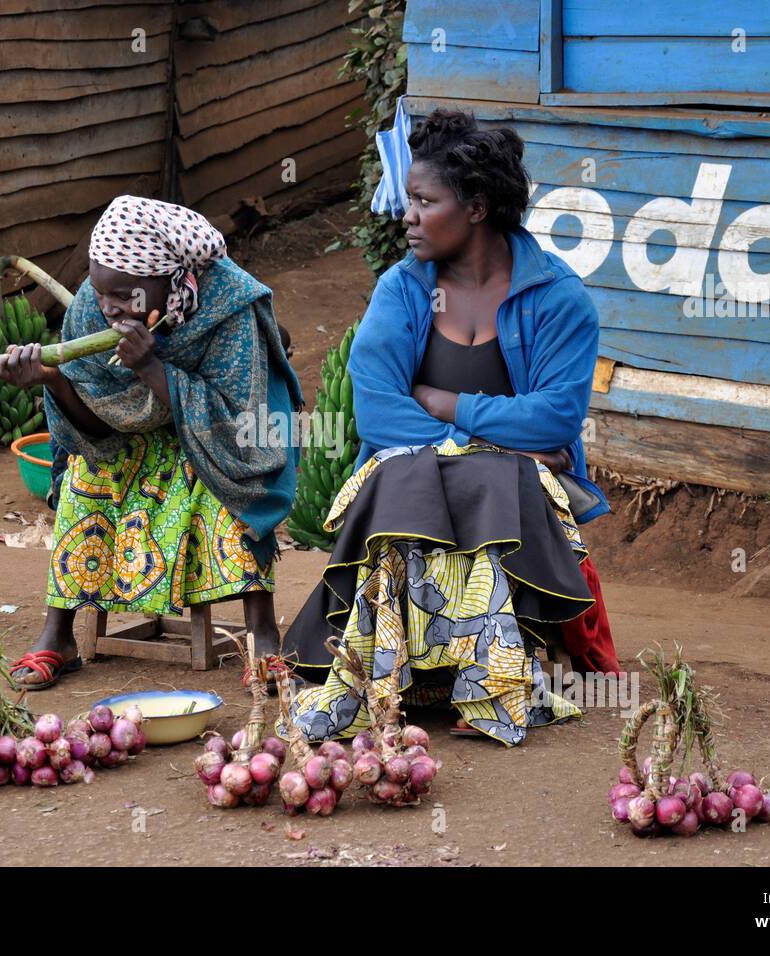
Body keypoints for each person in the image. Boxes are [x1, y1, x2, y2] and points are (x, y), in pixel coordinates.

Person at [281, 109, 618, 746]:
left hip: (521, 490)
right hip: (430, 469)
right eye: (409, 199)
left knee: (489, 484)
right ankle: (414, 673)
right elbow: (378, 411)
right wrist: (487, 444)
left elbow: (555, 416)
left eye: (423, 200)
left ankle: (486, 678)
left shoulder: (558, 299)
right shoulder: (401, 290)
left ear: (476, 208)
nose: (405, 215)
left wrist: (443, 400)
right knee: (420, 476)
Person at [0, 196, 302, 688]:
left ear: (171, 278)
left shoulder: (229, 307)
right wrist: (52, 381)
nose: (108, 307)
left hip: (214, 445)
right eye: (98, 292)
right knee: (84, 474)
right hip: (127, 447)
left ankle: (262, 634)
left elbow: (241, 427)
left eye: (123, 294)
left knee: (230, 483)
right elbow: (92, 432)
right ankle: (59, 634)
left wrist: (152, 368)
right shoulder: (90, 312)